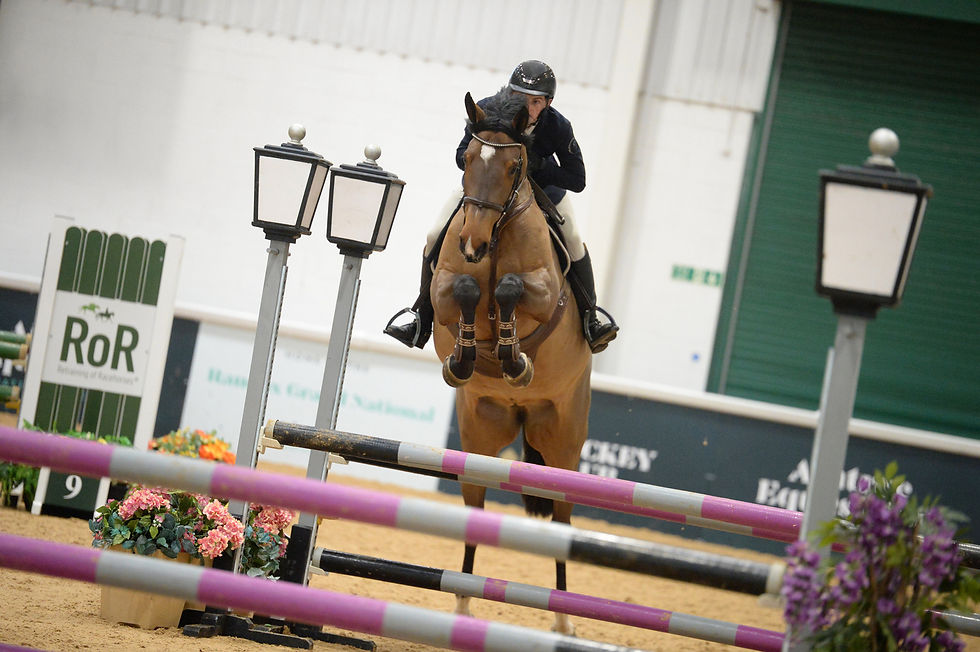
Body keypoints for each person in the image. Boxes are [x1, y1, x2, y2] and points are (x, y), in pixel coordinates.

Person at [384, 60, 618, 353]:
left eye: (536, 102)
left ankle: (591, 317)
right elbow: (461, 155)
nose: (528, 107)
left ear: (547, 103)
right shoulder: (486, 110)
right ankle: (421, 317)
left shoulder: (558, 125)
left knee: (572, 240)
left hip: (542, 194)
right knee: (434, 234)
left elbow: (577, 179)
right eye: (521, 98)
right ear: (510, 93)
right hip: (488, 191)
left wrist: (538, 166)